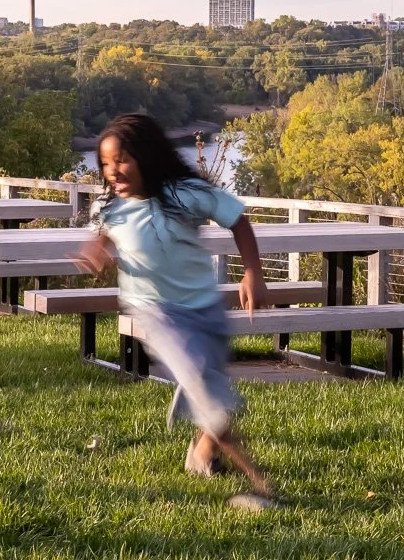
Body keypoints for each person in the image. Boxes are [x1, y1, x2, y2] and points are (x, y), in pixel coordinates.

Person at [75, 112, 282, 510]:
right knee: (207, 391)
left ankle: (202, 454)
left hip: (204, 306)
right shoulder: (110, 207)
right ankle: (259, 481)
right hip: (157, 312)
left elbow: (237, 219)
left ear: (147, 157)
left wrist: (253, 273)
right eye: (104, 163)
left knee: (210, 382)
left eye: (121, 160)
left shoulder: (184, 193)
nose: (111, 170)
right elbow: (103, 234)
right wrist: (96, 250)